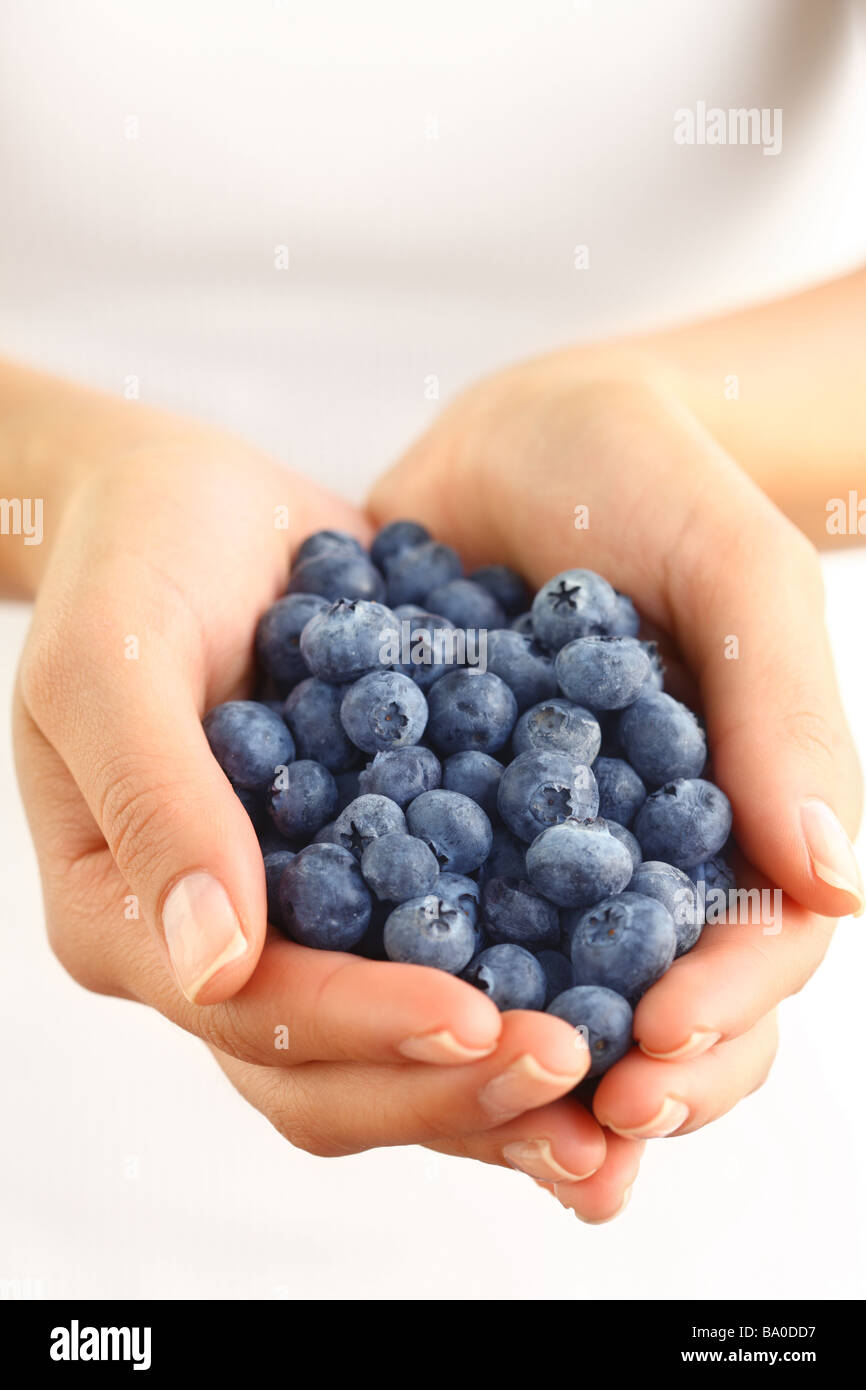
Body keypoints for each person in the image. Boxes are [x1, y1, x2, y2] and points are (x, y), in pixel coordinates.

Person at [2, 258, 863, 1224]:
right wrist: (76, 481)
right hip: (71, 1108)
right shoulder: (358, 733)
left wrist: (662, 412)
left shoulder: (564, 762)